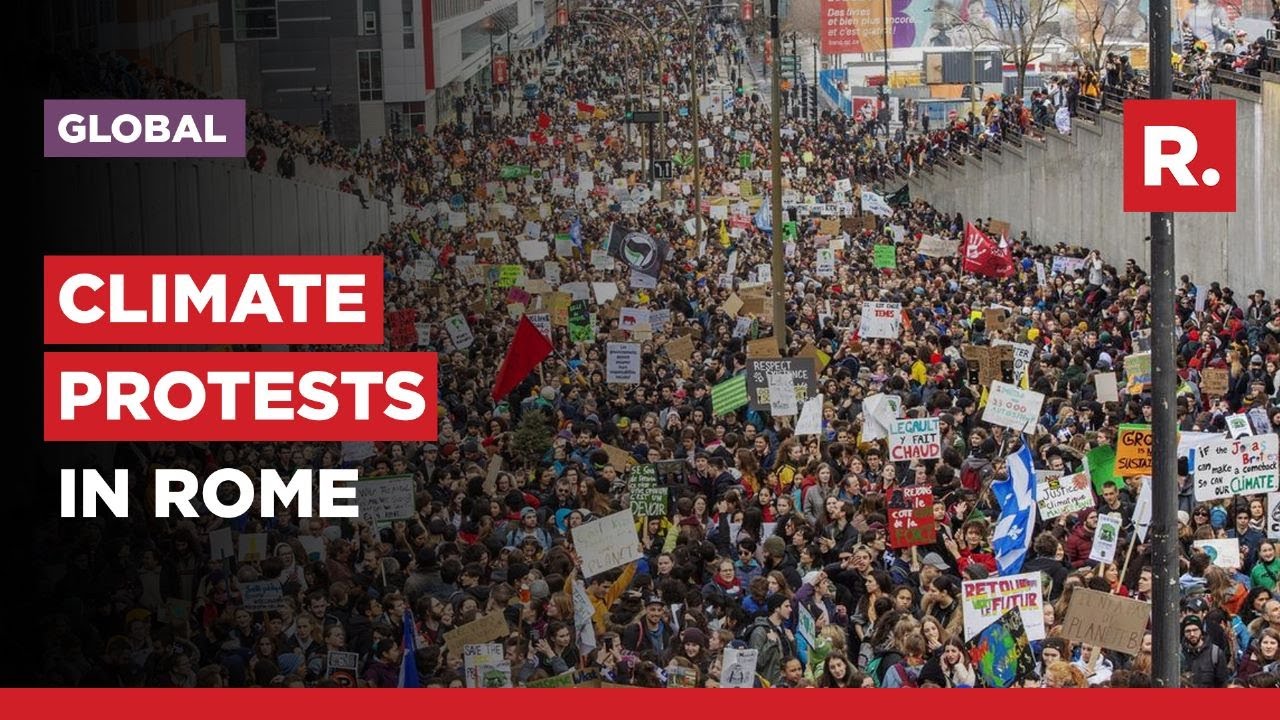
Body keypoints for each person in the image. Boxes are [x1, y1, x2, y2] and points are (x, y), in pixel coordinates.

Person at [747, 594, 794, 688]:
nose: (790, 609)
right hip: (768, 684)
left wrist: (792, 642)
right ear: (777, 608)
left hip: (785, 684)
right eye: (786, 606)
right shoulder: (760, 631)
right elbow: (756, 662)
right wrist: (771, 643)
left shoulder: (784, 631)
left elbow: (789, 658)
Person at [1180, 614, 1231, 687]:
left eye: (1195, 630)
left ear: (1201, 631)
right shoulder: (1178, 654)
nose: (1192, 634)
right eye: (1188, 631)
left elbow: (1223, 683)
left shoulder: (1215, 653)